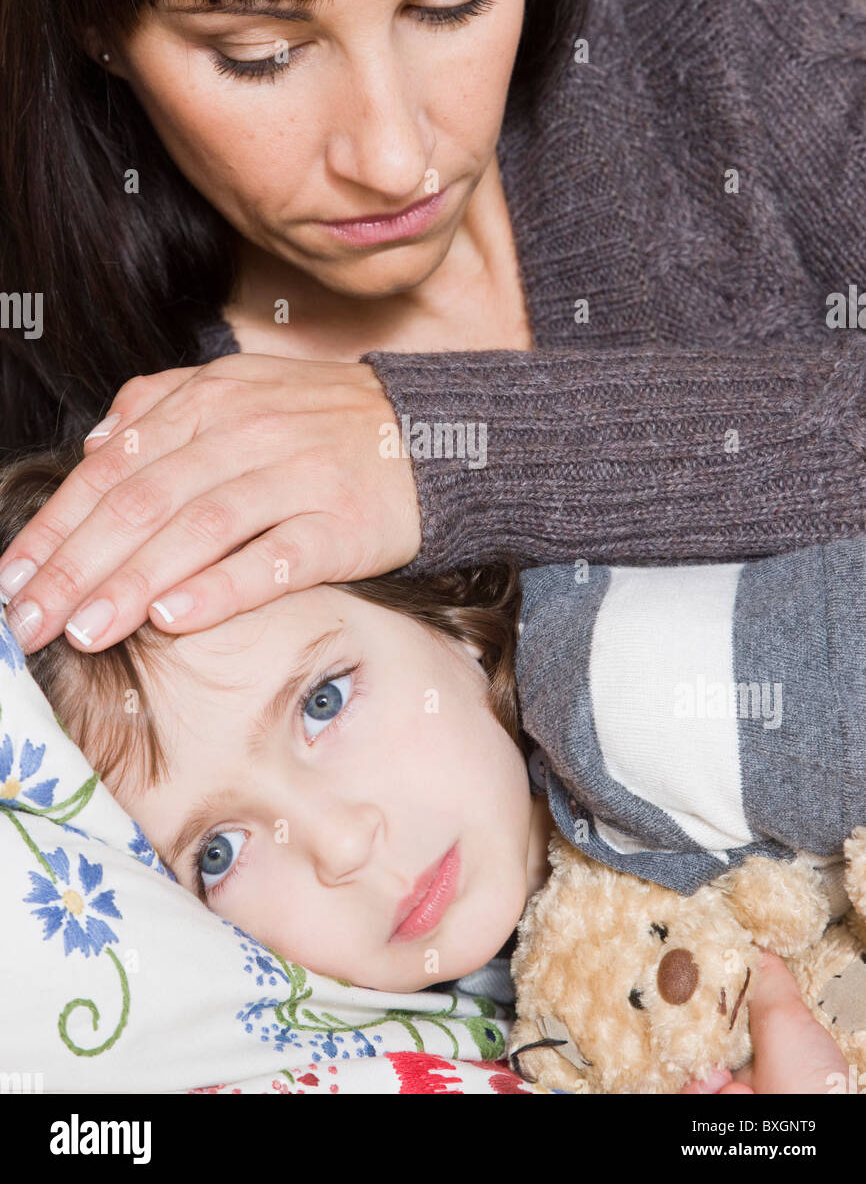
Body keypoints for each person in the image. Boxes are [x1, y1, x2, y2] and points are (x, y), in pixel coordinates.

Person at [1, 0, 865, 660]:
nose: (390, 158)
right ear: (93, 24)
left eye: (453, 1)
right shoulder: (55, 396)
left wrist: (441, 451)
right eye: (259, 52)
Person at [0, 447, 857, 1094]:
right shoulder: (504, 1025)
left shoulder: (627, 695)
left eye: (323, 703)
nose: (339, 843)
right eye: (217, 852)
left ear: (437, 611)